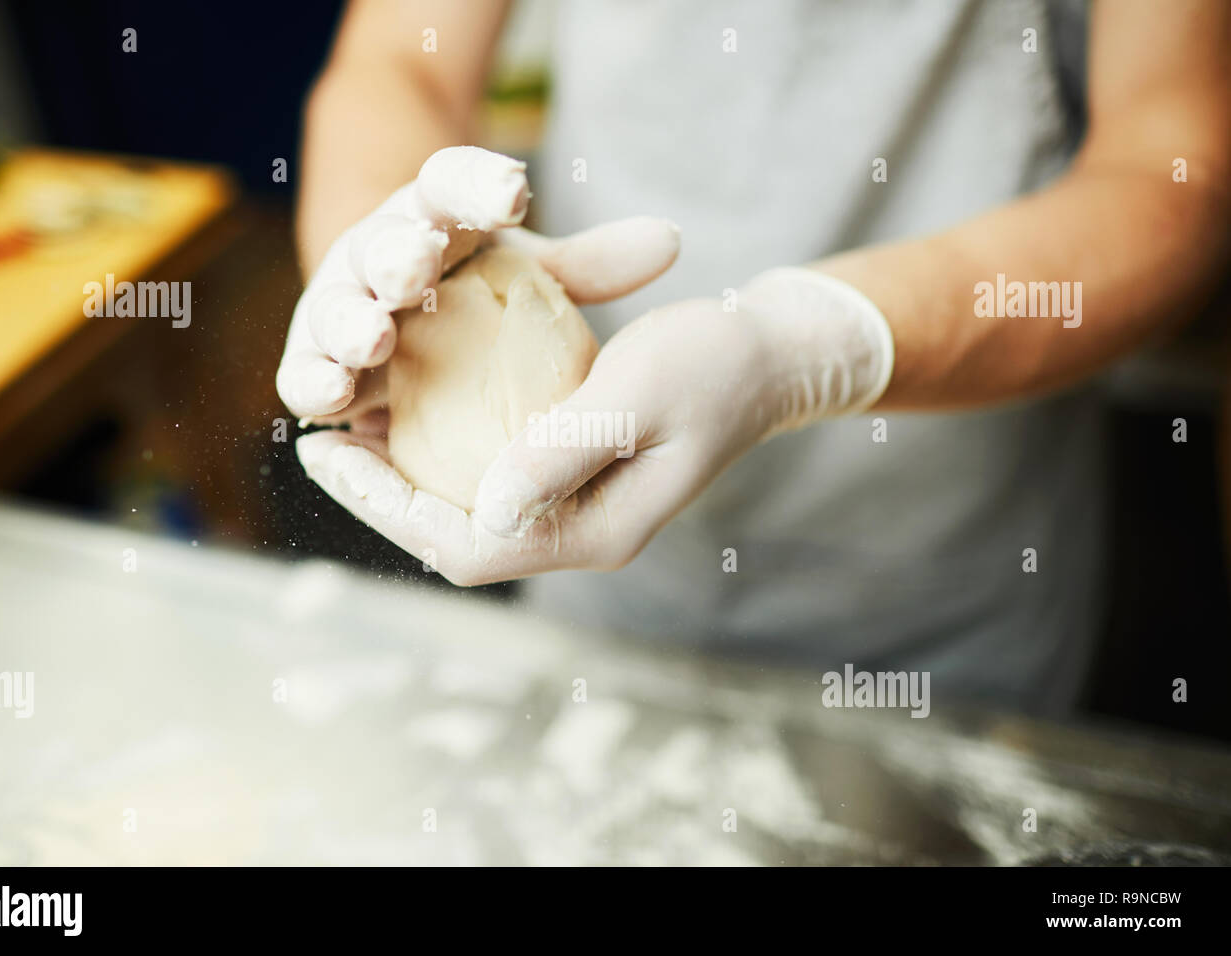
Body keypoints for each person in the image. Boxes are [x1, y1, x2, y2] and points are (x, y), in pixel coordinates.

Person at [278, 0, 1231, 713]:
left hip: (945, 567)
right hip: (586, 520)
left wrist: (808, 344)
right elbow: (406, 60)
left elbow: (1175, 169)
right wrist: (386, 263)